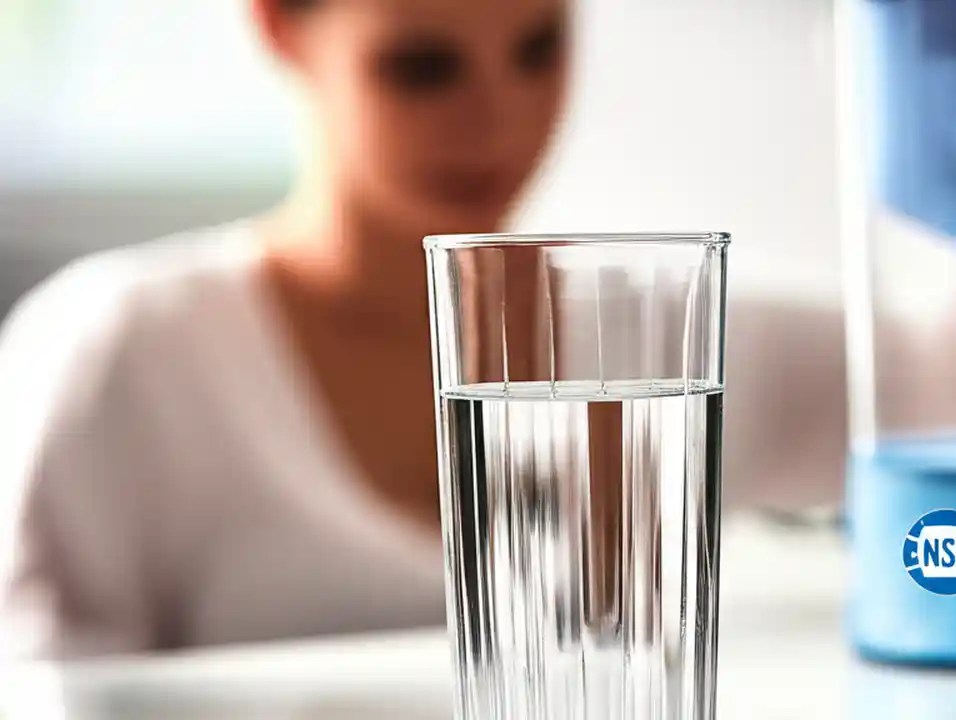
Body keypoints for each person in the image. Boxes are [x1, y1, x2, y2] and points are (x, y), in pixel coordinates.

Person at [0, 0, 568, 659]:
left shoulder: (691, 352)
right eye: (422, 69)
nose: (500, 118)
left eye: (539, 49)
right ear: (277, 25)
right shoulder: (122, 350)